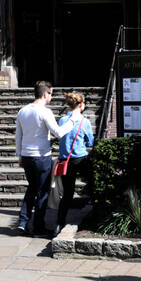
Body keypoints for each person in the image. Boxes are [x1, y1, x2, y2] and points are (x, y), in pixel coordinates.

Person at [14, 81, 79, 236]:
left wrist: (19, 155)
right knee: (42, 192)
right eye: (51, 93)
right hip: (42, 157)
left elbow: (18, 136)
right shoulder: (45, 112)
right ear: (45, 94)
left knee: (31, 188)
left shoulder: (22, 111)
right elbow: (58, 132)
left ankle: (23, 222)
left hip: (27, 156)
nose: (52, 96)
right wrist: (73, 120)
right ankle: (38, 227)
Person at [54, 92, 95, 233]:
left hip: (65, 160)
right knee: (92, 185)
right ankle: (95, 214)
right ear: (81, 104)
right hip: (81, 159)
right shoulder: (85, 121)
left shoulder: (62, 120)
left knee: (67, 194)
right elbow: (90, 142)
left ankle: (59, 223)